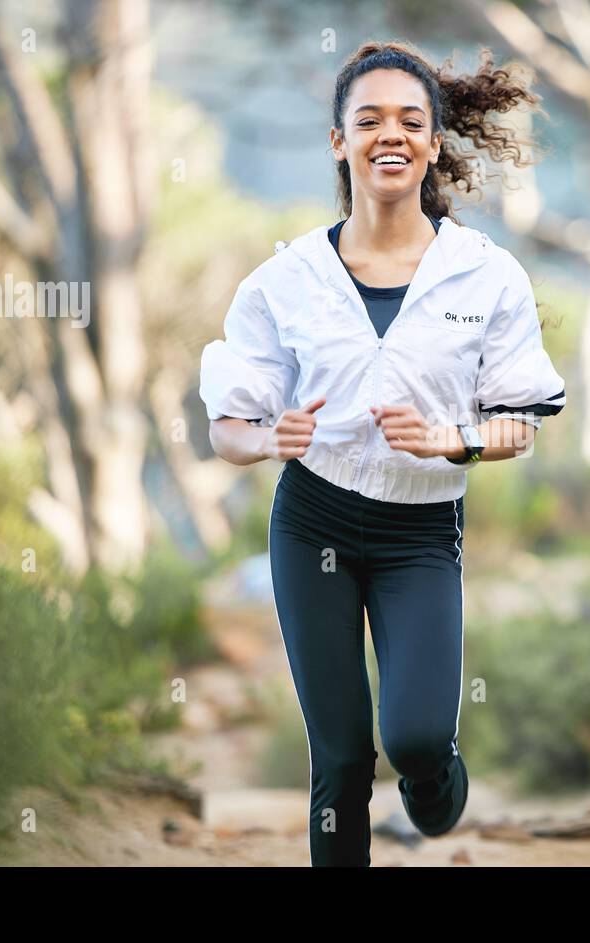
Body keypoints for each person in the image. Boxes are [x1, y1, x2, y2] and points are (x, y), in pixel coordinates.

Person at [199, 39, 567, 867]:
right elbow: (227, 429)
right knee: (339, 759)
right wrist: (266, 439)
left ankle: (436, 784)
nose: (388, 135)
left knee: (416, 735)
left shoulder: (486, 277)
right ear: (340, 141)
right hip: (313, 525)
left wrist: (457, 440)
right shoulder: (285, 279)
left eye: (410, 120)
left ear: (434, 142)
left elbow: (525, 420)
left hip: (419, 535)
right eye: (368, 120)